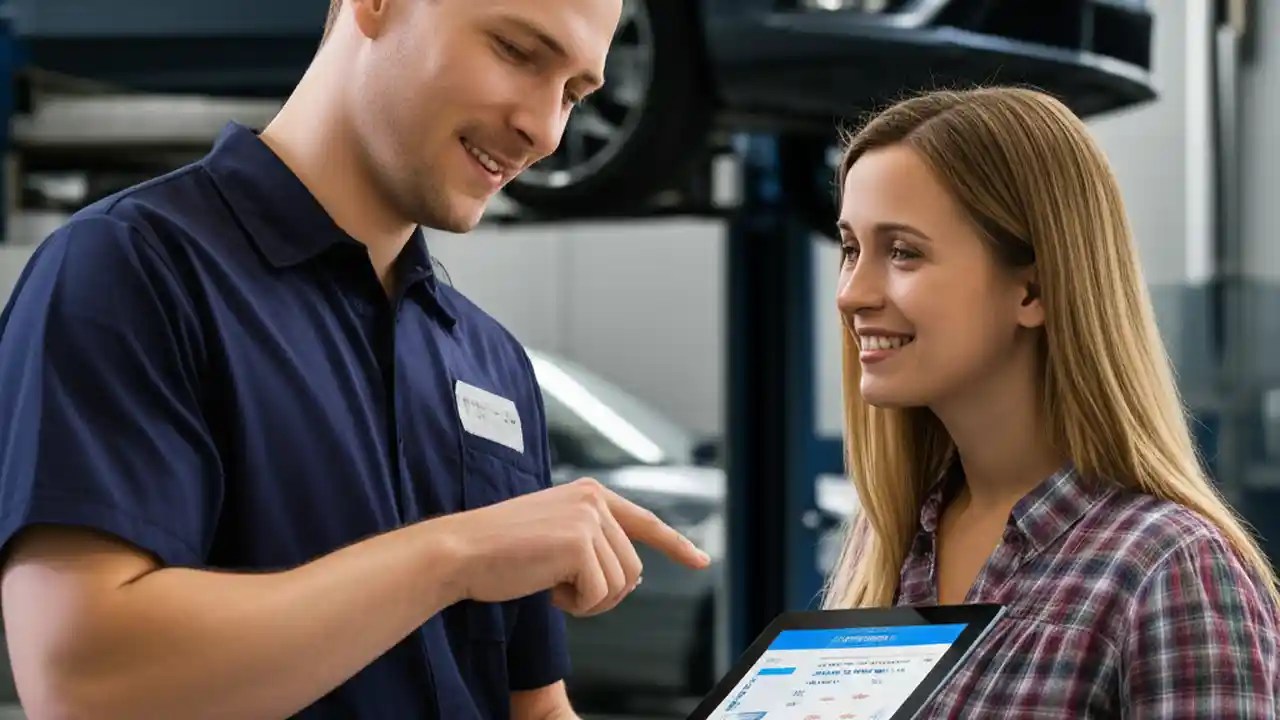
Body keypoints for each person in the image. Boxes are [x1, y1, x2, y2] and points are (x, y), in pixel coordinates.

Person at [0, 0, 712, 718]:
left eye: (573, 94)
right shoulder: (132, 271)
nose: (545, 129)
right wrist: (453, 558)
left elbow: (531, 707)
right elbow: (85, 684)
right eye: (517, 52)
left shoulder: (490, 360)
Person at [823, 86, 1280, 717]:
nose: (852, 293)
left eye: (903, 251)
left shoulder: (1170, 572)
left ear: (1033, 290)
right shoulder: (889, 545)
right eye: (850, 249)